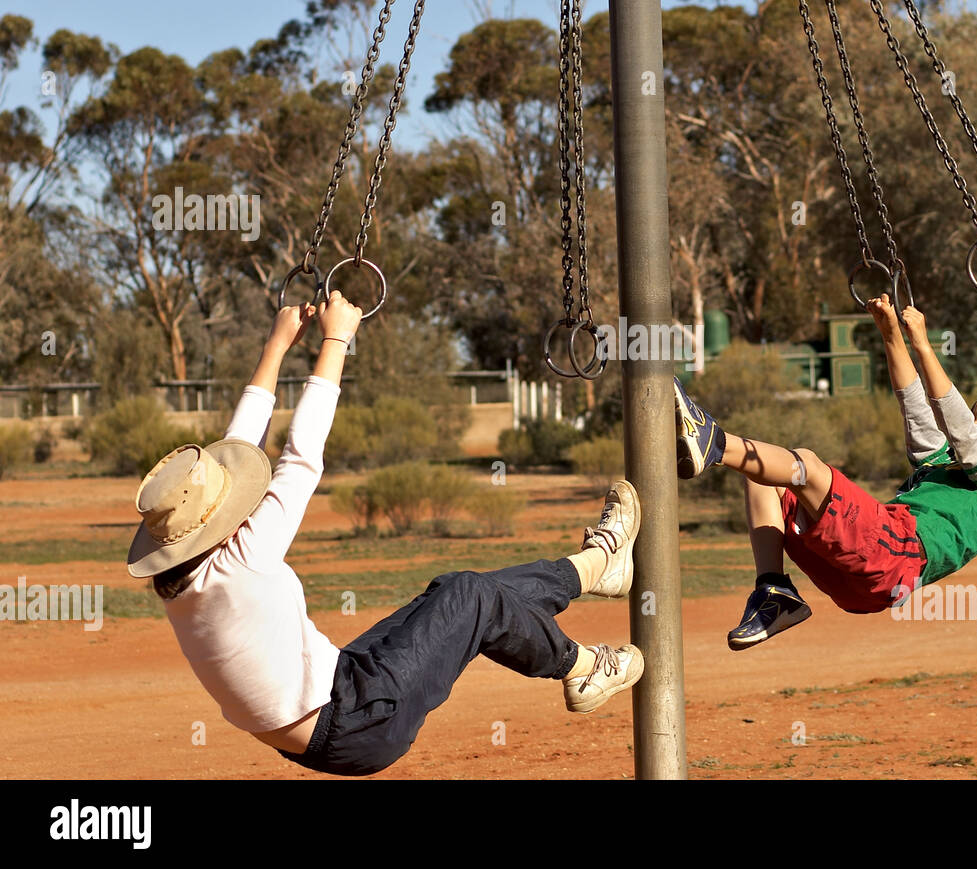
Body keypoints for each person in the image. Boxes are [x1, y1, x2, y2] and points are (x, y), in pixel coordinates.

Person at [127, 292, 643, 777]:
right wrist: (336, 341)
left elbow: (236, 449)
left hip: (334, 703)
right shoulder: (242, 562)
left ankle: (597, 567)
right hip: (354, 721)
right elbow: (300, 459)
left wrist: (277, 345)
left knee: (457, 597)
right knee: (468, 594)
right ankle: (583, 667)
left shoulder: (183, 572)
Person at [674, 294, 977, 649]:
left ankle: (714, 444)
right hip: (859, 579)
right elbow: (916, 406)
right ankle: (773, 591)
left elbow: (960, 427)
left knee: (808, 466)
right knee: (765, 475)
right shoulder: (942, 464)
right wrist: (891, 335)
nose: (974, 424)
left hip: (897, 555)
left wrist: (922, 342)